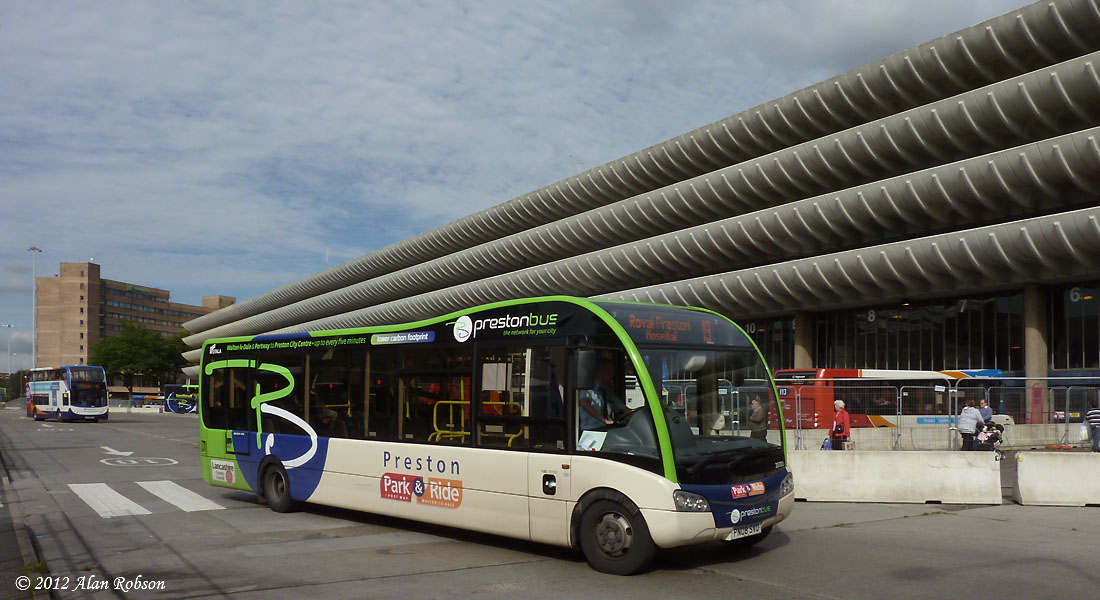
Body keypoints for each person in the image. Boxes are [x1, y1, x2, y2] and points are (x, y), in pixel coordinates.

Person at [579, 358, 625, 430]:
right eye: (609, 372)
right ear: (600, 371)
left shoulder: (606, 390)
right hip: (591, 431)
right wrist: (604, 420)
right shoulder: (588, 387)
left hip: (605, 428)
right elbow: (584, 404)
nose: (612, 375)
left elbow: (621, 406)